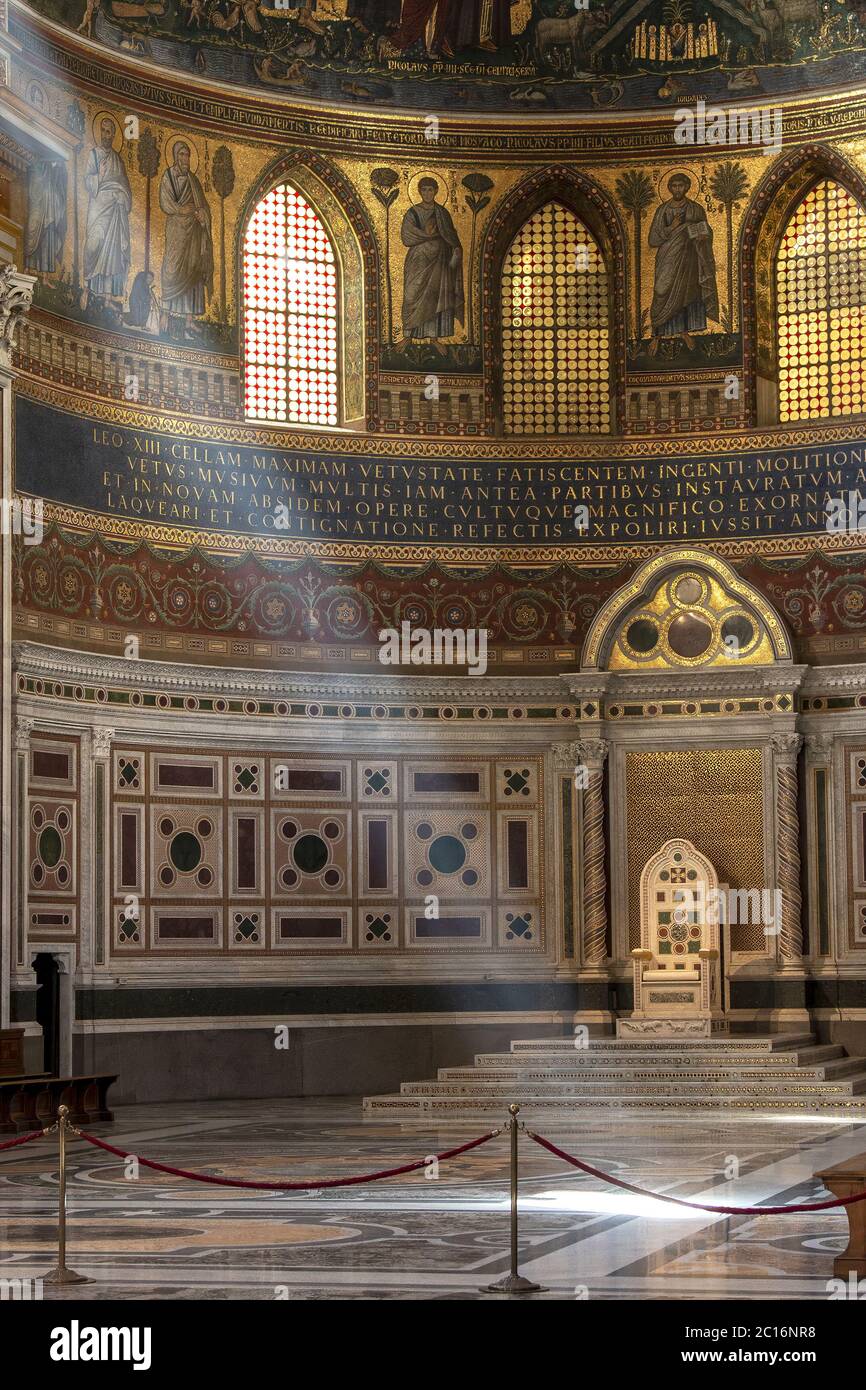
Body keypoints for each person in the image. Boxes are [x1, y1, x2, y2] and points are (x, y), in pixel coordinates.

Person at [647, 173, 718, 354]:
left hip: (690, 258)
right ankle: (656, 335)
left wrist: (703, 236)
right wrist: (673, 227)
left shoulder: (696, 208)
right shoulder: (662, 210)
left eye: (681, 185)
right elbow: (653, 239)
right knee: (661, 290)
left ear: (687, 187)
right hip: (668, 258)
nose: (678, 189)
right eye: (674, 185)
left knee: (688, 294)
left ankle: (684, 332)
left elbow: (706, 231)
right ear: (669, 188)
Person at [159, 142, 214, 340]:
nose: (185, 159)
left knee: (193, 271)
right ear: (175, 156)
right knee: (171, 269)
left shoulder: (193, 180)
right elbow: (165, 202)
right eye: (182, 154)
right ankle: (165, 312)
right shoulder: (168, 176)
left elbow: (204, 207)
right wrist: (182, 210)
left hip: (194, 233)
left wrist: (202, 215)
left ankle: (190, 320)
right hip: (177, 231)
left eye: (188, 155)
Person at [400, 177, 464, 340]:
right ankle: (407, 337)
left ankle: (434, 338)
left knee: (435, 297)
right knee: (411, 296)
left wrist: (456, 249)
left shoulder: (442, 213)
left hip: (439, 260)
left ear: (436, 191)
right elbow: (407, 236)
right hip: (418, 260)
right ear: (419, 192)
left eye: (430, 189)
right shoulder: (413, 212)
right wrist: (428, 235)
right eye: (424, 190)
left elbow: (451, 236)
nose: (427, 193)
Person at [83, 117, 132, 309]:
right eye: (102, 131)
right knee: (93, 245)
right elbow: (87, 181)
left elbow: (126, 185)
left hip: (115, 209)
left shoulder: (118, 160)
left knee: (113, 252)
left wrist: (122, 196)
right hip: (99, 207)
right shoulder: (93, 155)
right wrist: (99, 175)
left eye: (109, 132)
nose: (105, 135)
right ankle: (86, 287)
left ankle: (107, 298)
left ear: (113, 135)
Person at [26, 160, 67, 274]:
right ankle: (28, 268)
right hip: (39, 210)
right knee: (33, 232)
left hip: (50, 214)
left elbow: (61, 194)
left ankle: (45, 276)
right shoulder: (37, 167)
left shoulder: (55, 182)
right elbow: (34, 192)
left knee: (48, 239)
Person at [127, 270, 162, 335]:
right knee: (135, 322)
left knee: (145, 308)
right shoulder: (140, 283)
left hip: (141, 303)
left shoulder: (146, 285)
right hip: (136, 303)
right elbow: (142, 295)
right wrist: (149, 299)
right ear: (145, 277)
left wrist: (151, 299)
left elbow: (146, 296)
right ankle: (123, 316)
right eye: (149, 278)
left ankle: (143, 325)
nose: (151, 280)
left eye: (152, 278)